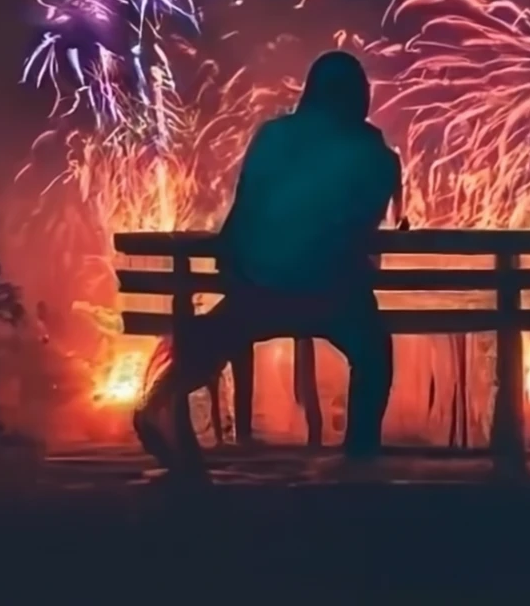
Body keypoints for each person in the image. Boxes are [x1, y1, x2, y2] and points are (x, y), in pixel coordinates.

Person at [134, 50, 404, 473]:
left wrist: (242, 269)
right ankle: (360, 456)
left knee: (224, 326)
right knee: (372, 352)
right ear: (358, 96)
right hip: (327, 295)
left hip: (256, 287)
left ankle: (164, 394)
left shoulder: (271, 136)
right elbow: (361, 229)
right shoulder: (374, 153)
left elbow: (243, 213)